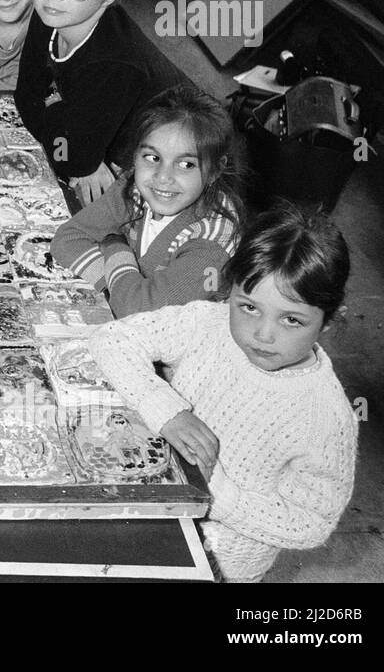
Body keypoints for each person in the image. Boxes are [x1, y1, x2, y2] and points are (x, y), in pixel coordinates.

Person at [86, 205, 358, 582]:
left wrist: (216, 491)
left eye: (291, 319)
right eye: (248, 307)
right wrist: (166, 409)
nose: (263, 334)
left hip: (222, 565)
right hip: (152, 515)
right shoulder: (208, 323)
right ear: (230, 291)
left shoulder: (325, 415)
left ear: (328, 321)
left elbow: (312, 523)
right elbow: (113, 339)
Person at [13, 0, 189, 206]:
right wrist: (57, 109)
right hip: (107, 134)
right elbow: (24, 97)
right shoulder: (52, 14)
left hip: (182, 155)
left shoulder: (114, 63)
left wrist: (51, 101)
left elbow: (71, 160)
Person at [50, 86, 243, 318]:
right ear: (135, 156)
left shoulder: (212, 243)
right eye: (153, 158)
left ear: (215, 171)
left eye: (186, 165)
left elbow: (136, 310)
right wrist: (119, 290)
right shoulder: (133, 187)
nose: (163, 177)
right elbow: (67, 239)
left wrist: (114, 246)